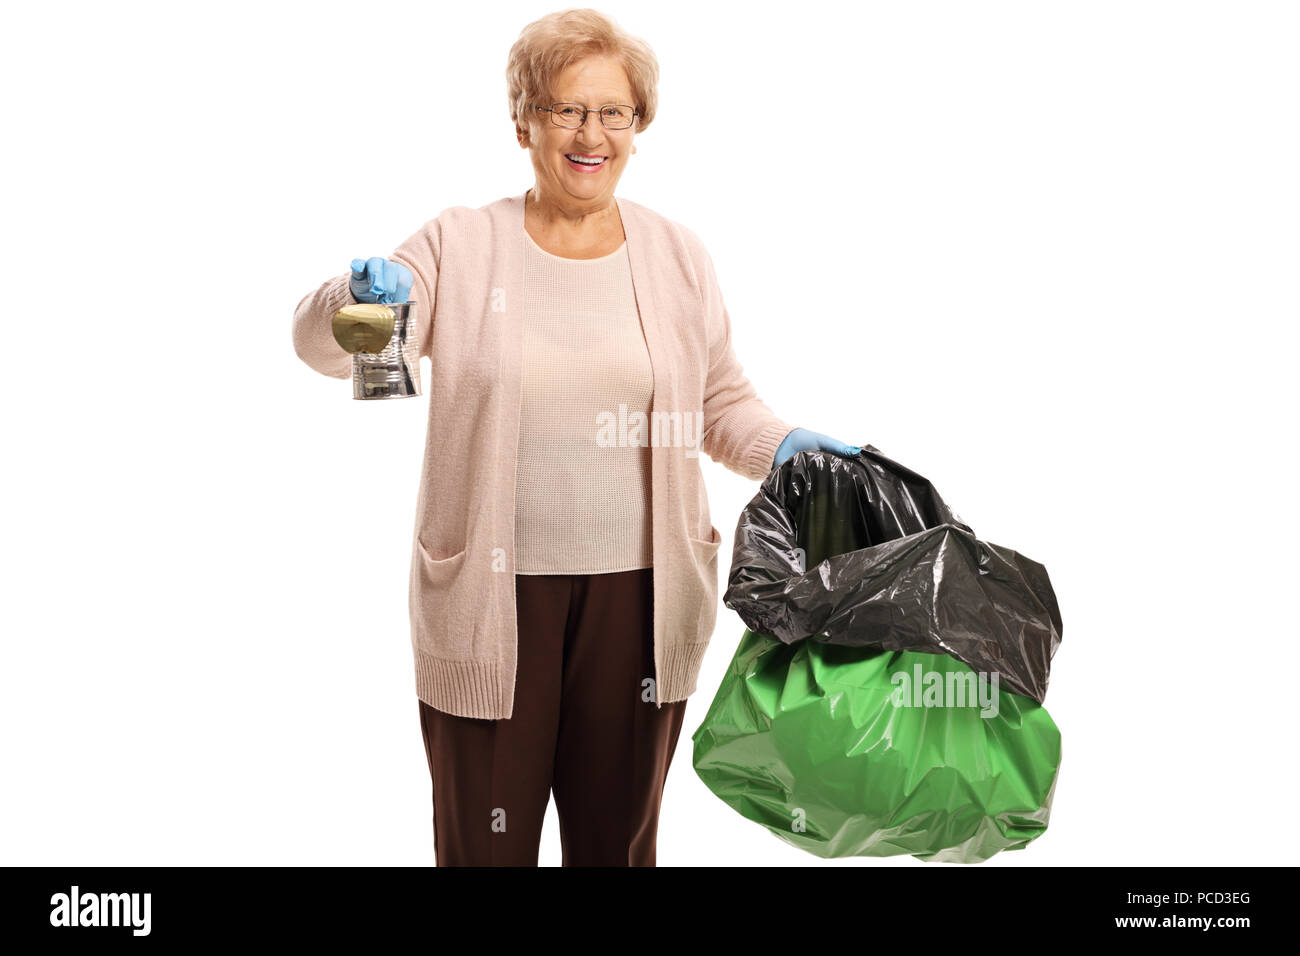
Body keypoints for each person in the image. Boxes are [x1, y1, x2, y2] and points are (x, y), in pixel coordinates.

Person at [291, 7, 859, 866]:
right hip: (492, 602)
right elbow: (318, 350)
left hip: (640, 601)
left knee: (615, 852)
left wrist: (781, 446)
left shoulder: (676, 255)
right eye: (566, 110)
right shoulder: (461, 244)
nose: (590, 134)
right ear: (524, 121)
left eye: (613, 113)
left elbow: (714, 403)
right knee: (484, 851)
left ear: (639, 127)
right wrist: (358, 299)